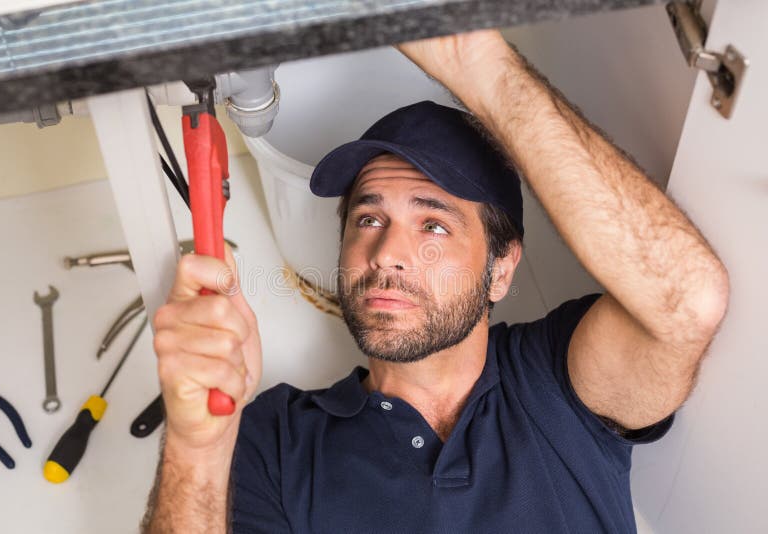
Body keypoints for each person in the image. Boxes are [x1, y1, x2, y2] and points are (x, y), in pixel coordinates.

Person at [141, 29, 729, 533]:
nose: (387, 252)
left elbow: (688, 301)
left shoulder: (557, 381)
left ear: (501, 268)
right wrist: (198, 449)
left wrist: (480, 66)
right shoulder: (275, 439)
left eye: (434, 224)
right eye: (368, 218)